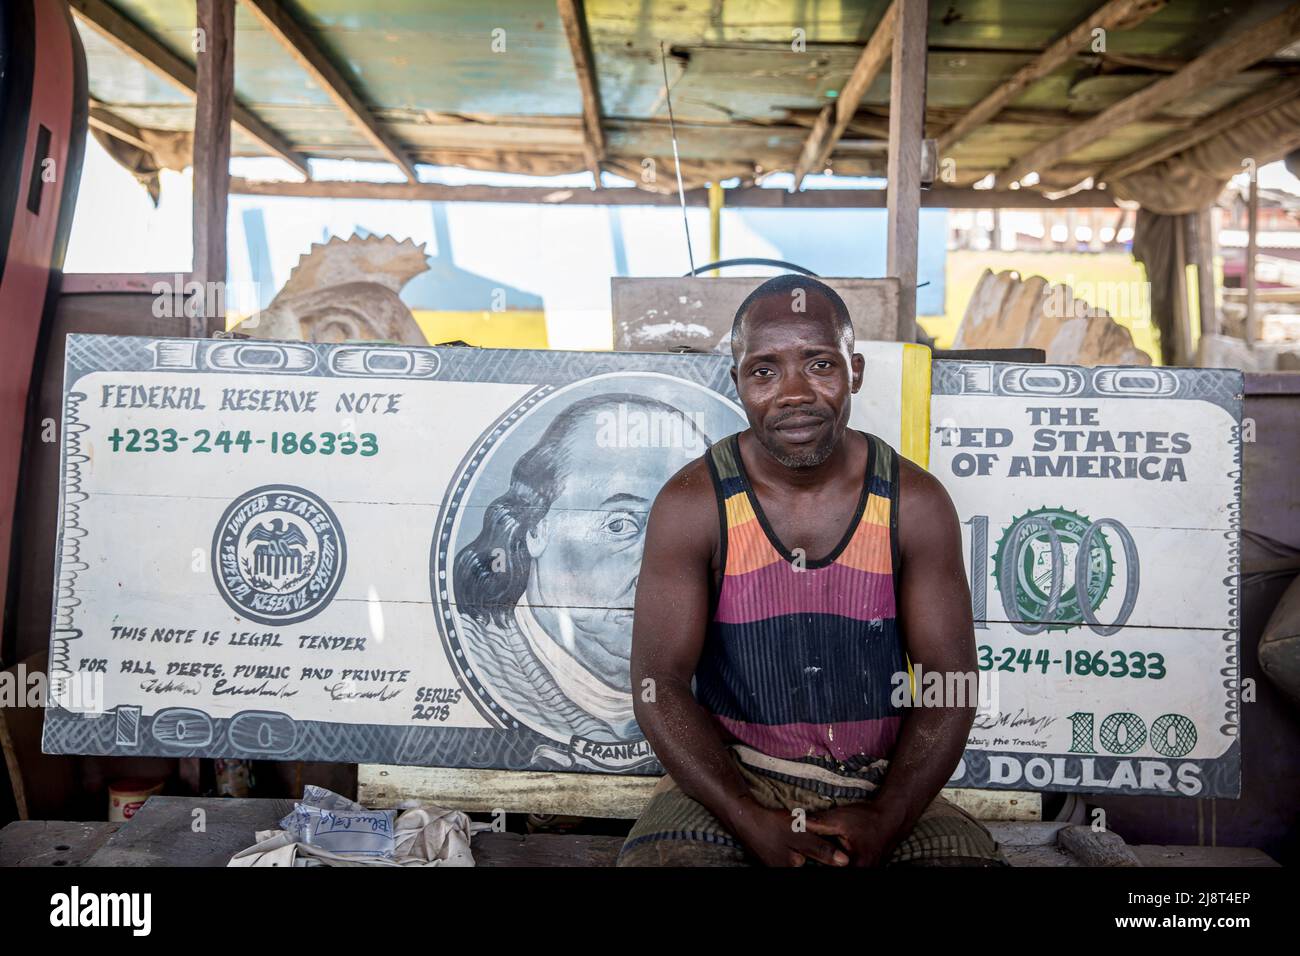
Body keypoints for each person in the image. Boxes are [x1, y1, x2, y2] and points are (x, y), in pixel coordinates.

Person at [619, 275, 1004, 866]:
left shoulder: (915, 502)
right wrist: (748, 818)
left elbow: (949, 686)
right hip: (734, 780)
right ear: (739, 382)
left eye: (819, 365)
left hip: (880, 781)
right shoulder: (694, 502)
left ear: (856, 370)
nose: (793, 393)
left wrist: (886, 816)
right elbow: (658, 686)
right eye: (764, 371)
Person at [454, 393, 709, 746]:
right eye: (620, 526)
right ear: (535, 528)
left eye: (689, 527)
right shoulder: (482, 659)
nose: (662, 569)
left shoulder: (733, 676)